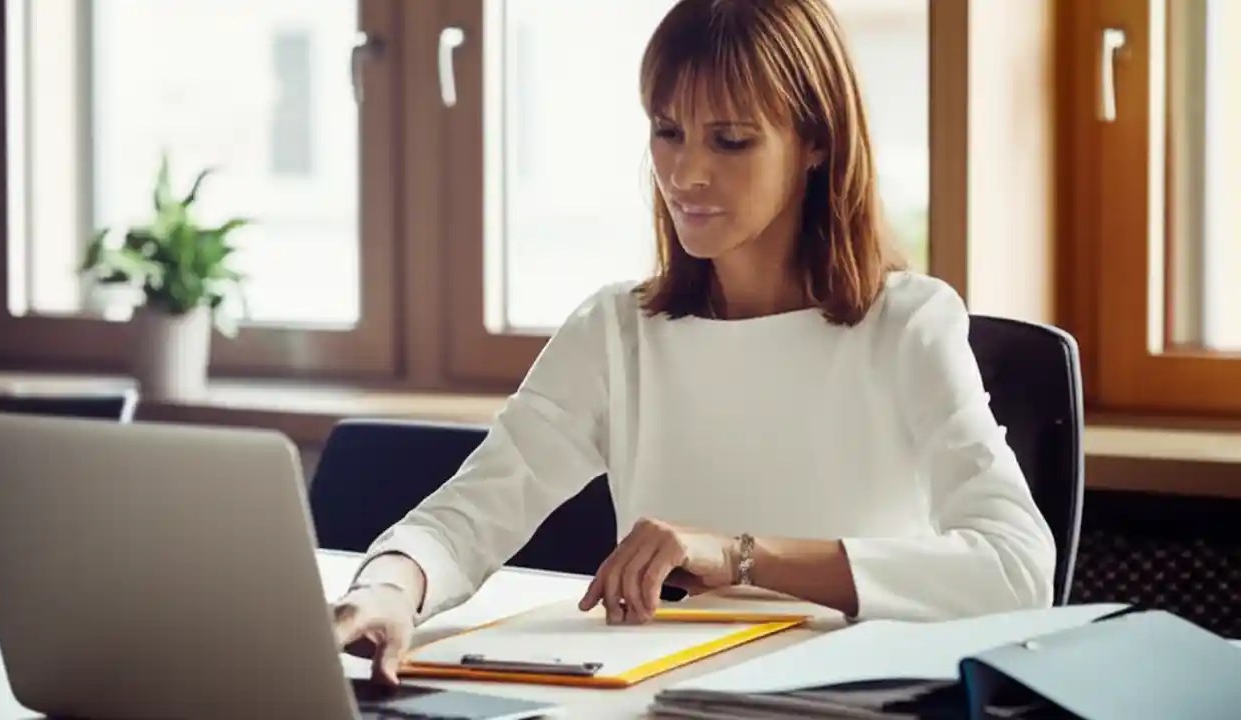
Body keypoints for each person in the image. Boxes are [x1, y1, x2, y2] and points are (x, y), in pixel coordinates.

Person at [332, 0, 1055, 686]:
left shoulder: (908, 325)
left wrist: (740, 557)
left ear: (815, 143)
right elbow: (474, 510)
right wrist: (389, 588)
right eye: (667, 130)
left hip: (846, 702)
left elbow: (1018, 569)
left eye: (731, 140)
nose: (685, 173)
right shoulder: (615, 331)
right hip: (660, 701)